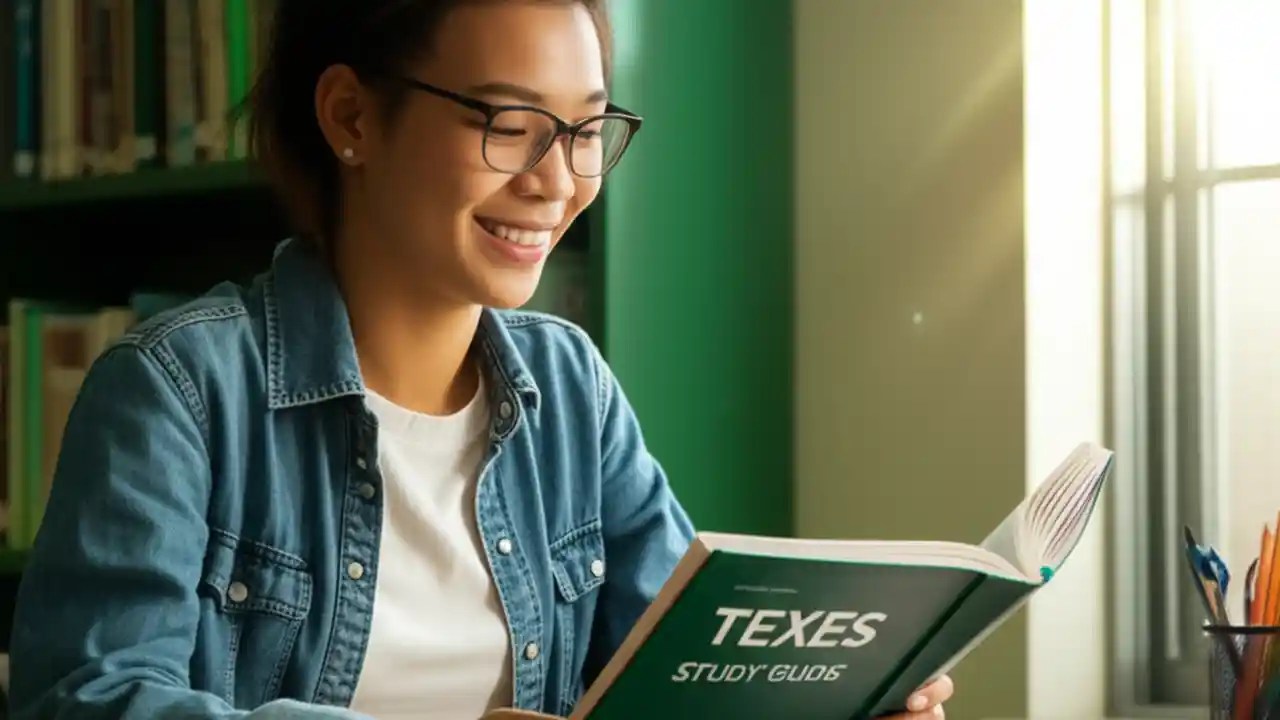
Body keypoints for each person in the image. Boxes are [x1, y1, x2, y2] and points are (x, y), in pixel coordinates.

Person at [7, 1, 954, 719]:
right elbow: (95, 699)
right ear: (352, 118)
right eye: (509, 124)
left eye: (585, 132)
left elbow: (685, 674)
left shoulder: (570, 389)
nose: (556, 180)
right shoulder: (179, 392)